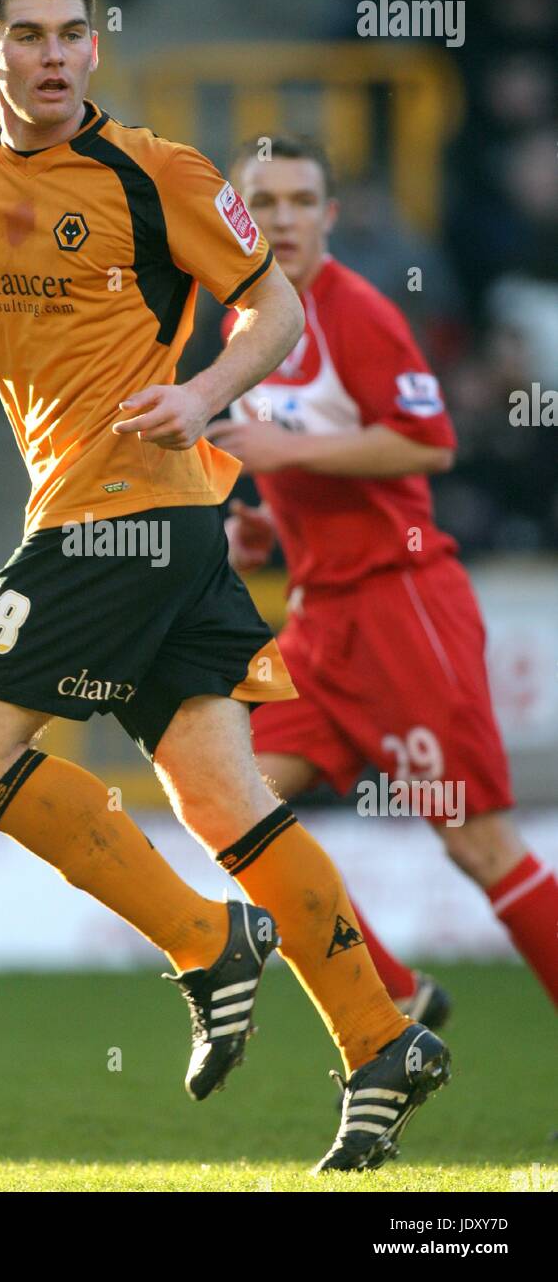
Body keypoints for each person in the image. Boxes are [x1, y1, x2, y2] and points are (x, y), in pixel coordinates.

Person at [0, 0, 451, 1173]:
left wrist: (206, 389)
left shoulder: (154, 168)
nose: (53, 55)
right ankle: (379, 1035)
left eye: (71, 33)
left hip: (126, 510)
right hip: (129, 522)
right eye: (30, 36)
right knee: (225, 800)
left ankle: (205, 943)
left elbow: (271, 305)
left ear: (93, 46)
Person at [209, 134, 558, 1016]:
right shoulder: (245, 322)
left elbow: (430, 443)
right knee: (233, 804)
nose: (283, 218)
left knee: (478, 847)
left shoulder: (357, 311)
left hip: (402, 608)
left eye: (300, 201)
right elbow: (310, 462)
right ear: (238, 216)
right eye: (266, 201)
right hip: (321, 616)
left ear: (328, 217)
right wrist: (264, 522)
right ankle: (396, 1001)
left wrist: (289, 450)